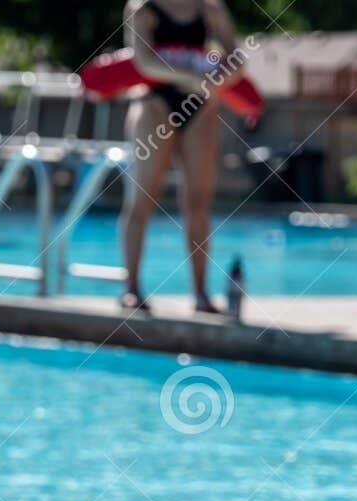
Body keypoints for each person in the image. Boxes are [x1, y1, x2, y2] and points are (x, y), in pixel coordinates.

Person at [120, 0, 241, 313]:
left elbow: (235, 59)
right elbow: (143, 61)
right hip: (154, 103)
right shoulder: (142, 8)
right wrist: (189, 77)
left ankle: (201, 294)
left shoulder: (210, 9)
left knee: (198, 203)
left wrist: (219, 81)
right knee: (142, 198)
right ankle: (132, 288)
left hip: (201, 108)